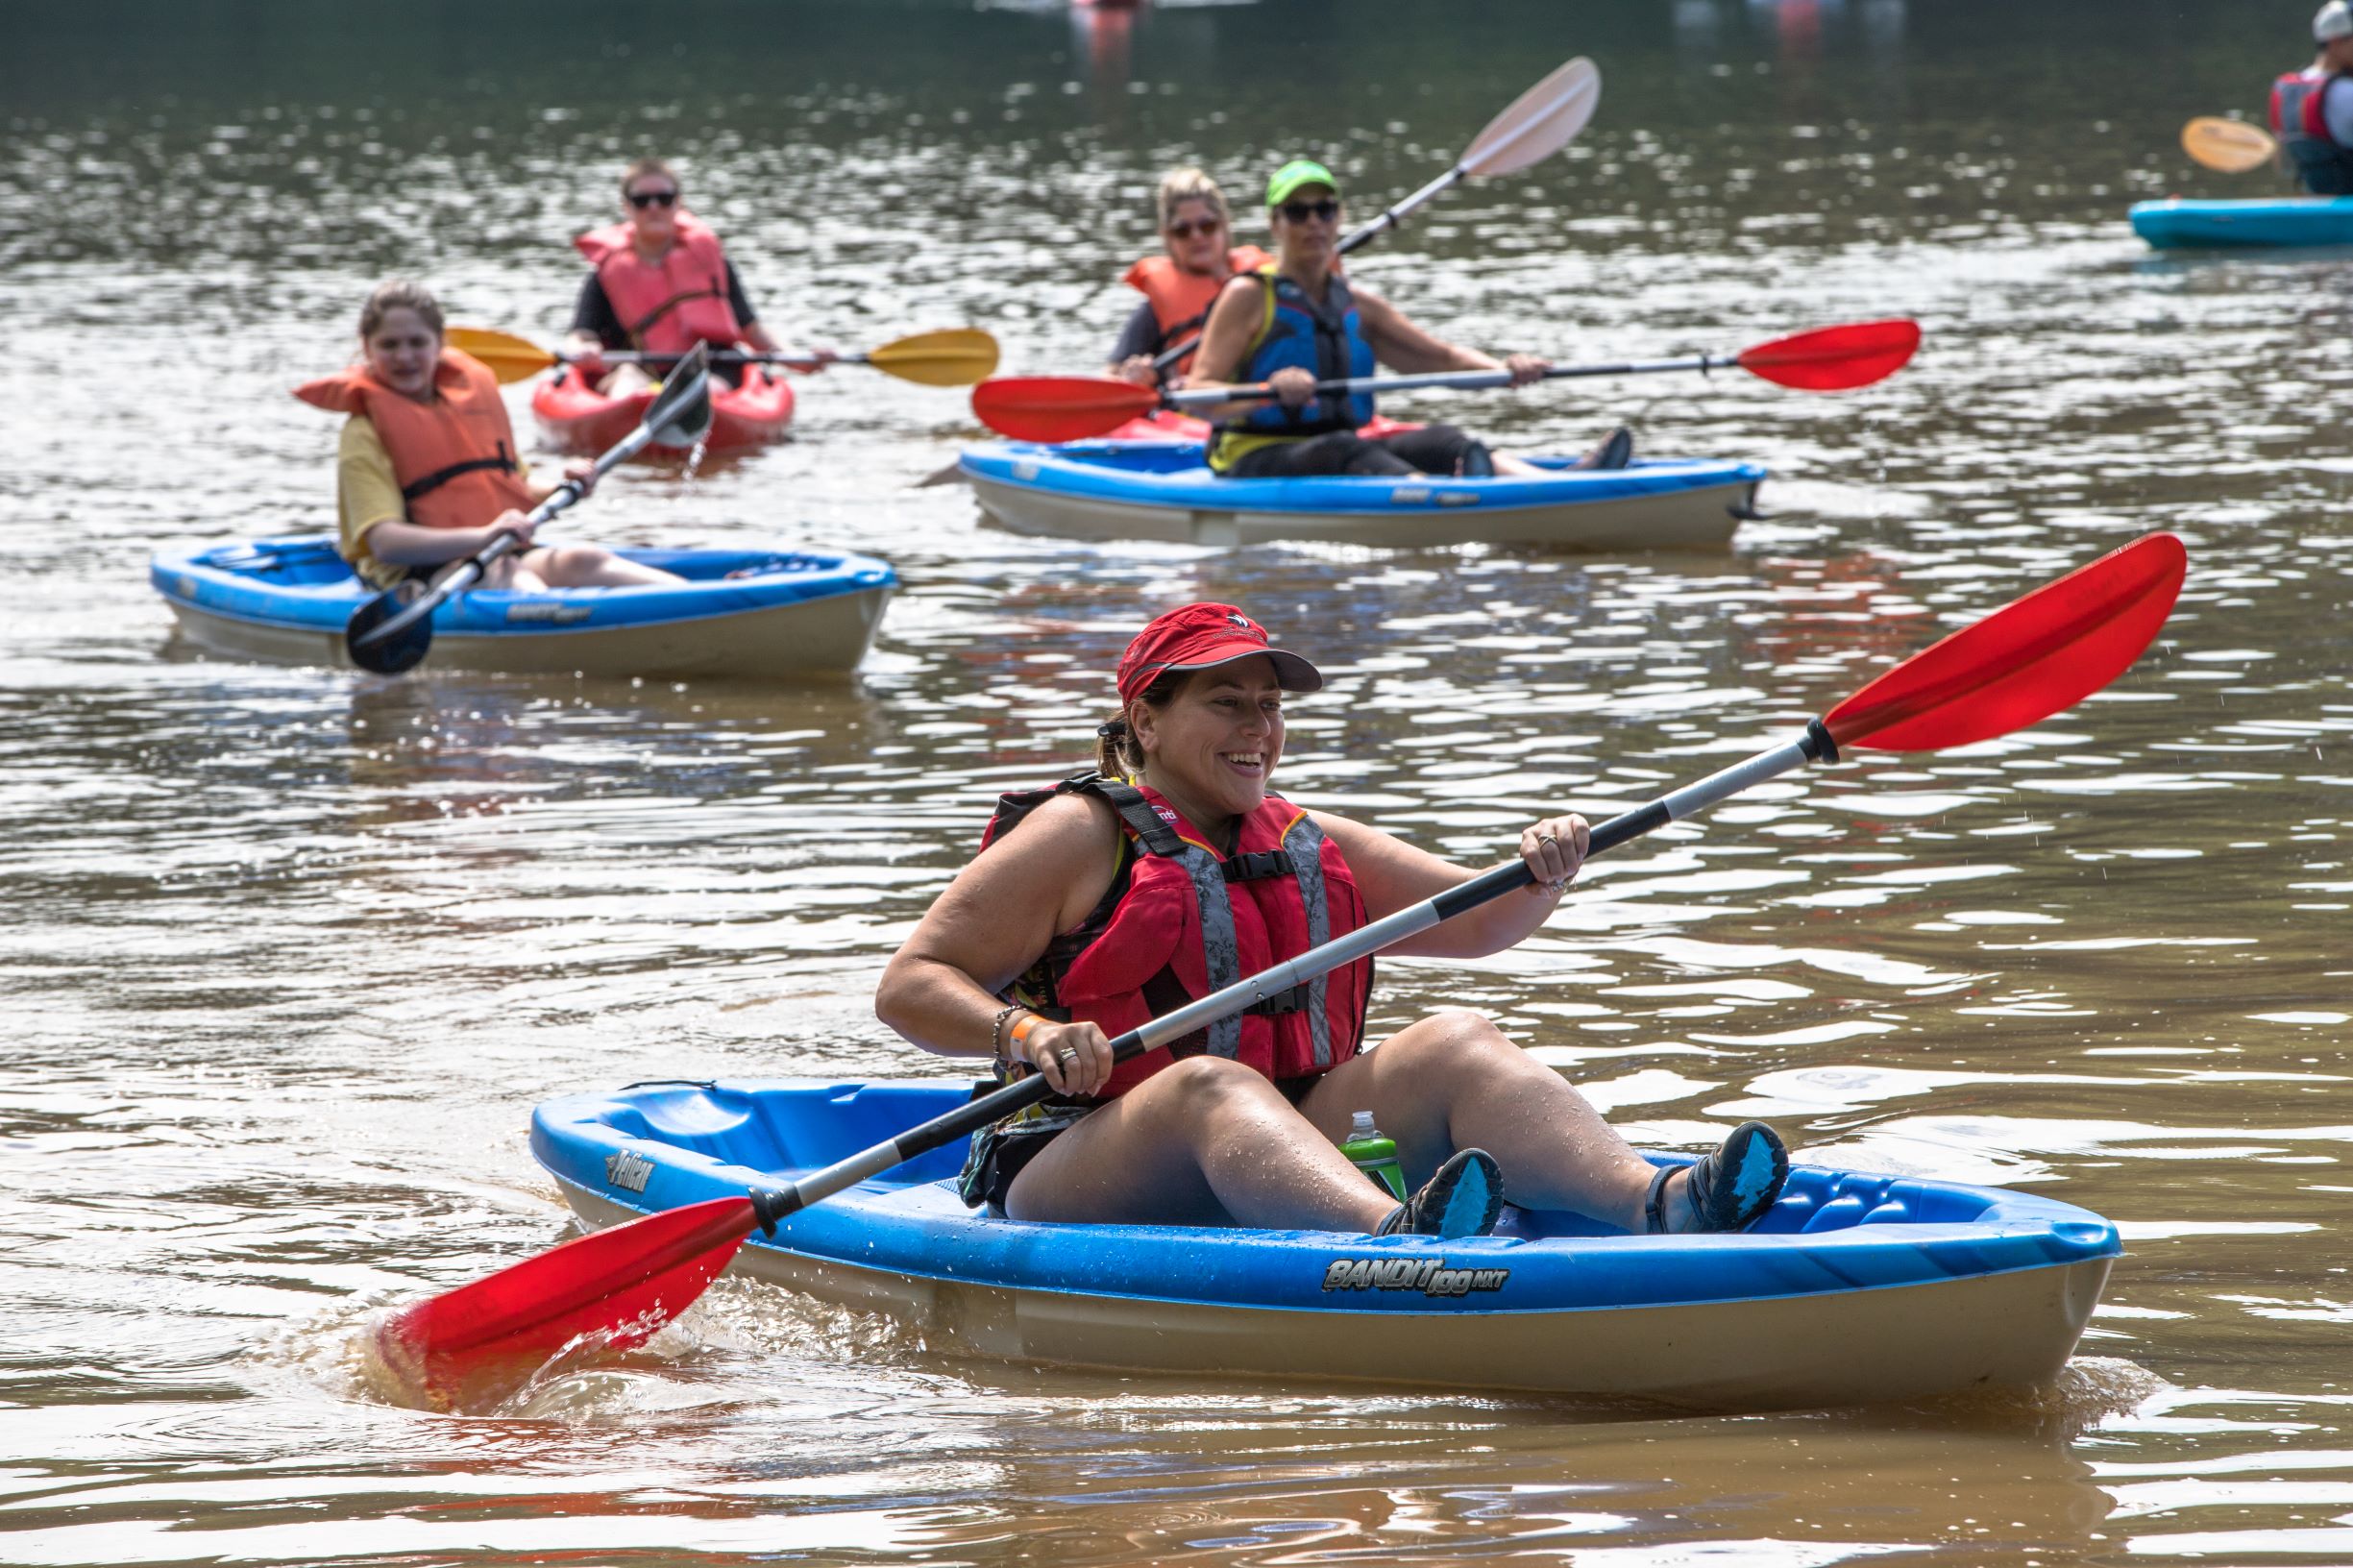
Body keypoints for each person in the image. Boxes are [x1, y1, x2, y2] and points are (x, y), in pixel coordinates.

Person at [875, 601, 1790, 1239]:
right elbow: (910, 986)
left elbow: (1482, 921)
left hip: (1276, 1141)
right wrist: (1027, 1032)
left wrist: (1545, 867)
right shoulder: (1078, 835)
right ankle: (1393, 1241)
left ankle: (1657, 1203)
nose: (1257, 728)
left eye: (1268, 706)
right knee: (1209, 1084)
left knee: (1455, 1039)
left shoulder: (1308, 839)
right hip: (1075, 1161)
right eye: (1224, 702)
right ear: (1144, 722)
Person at [1189, 159, 1631, 480]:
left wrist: (1505, 370)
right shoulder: (1248, 296)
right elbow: (1197, 396)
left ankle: (1557, 484)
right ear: (1275, 224)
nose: (1313, 223)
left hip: (1338, 447)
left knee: (1442, 440)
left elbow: (1443, 358)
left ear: (1339, 217)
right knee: (1345, 449)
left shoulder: (1358, 305)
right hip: (1254, 457)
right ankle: (1438, 501)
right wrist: (1268, 393)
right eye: (1297, 213)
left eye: (1324, 210)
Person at [296, 280, 685, 593]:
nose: (405, 357)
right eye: (389, 345)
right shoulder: (364, 433)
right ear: (367, 349)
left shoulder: (469, 403)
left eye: (417, 343)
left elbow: (513, 484)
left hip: (495, 553)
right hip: (417, 577)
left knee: (586, 559)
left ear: (440, 345)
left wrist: (564, 485)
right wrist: (484, 536)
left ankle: (699, 599)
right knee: (512, 579)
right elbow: (386, 543)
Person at [560, 157, 831, 396]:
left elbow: (752, 331)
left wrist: (798, 358)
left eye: (664, 199)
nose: (654, 207)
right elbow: (581, 334)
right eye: (642, 201)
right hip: (639, 371)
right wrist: (583, 350)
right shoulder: (605, 273)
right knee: (626, 382)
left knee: (706, 388)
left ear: (679, 203)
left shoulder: (711, 263)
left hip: (712, 368)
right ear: (627, 208)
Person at [1104, 167, 1271, 386]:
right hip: (1195, 409)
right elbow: (1110, 378)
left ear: (1224, 224)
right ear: (1166, 236)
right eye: (1183, 230)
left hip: (1271, 398)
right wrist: (1132, 379)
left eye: (1207, 226)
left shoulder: (1266, 282)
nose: (1196, 236)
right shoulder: (1153, 310)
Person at [2271, 2, 2353, 194]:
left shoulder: (2285, 89)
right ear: (2335, 42)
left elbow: (2284, 167)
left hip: (2319, 199)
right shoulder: (2345, 93)